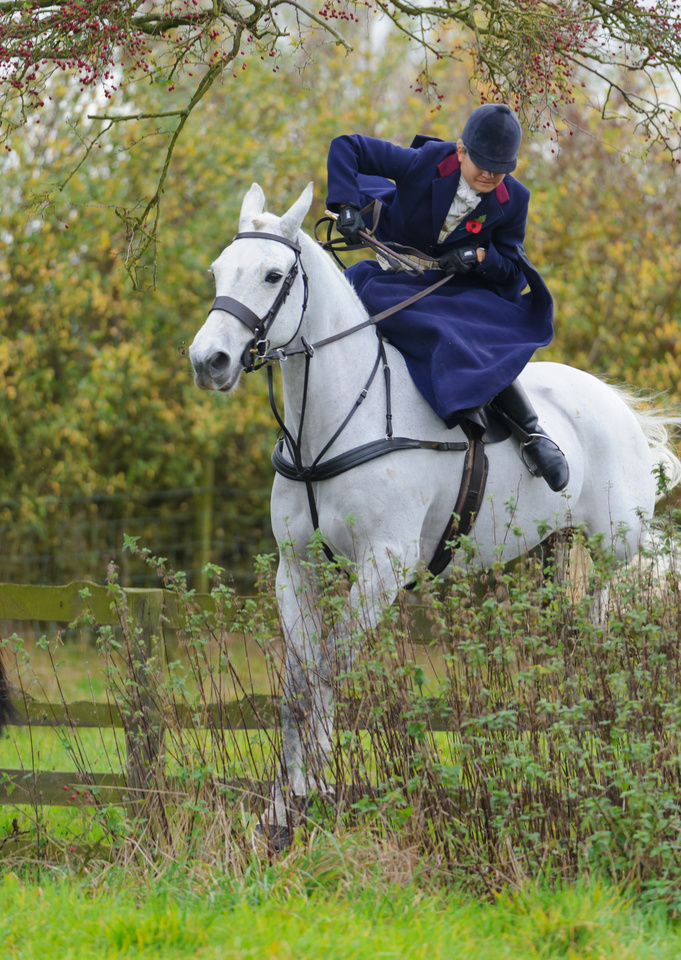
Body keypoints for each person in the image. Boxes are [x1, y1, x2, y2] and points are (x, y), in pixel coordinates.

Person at [326, 103, 569, 492]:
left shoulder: (514, 199)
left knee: (464, 331)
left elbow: (511, 266)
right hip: (396, 275)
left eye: (499, 169)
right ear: (460, 151)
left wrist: (480, 257)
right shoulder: (424, 162)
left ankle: (532, 433)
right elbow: (346, 145)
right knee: (343, 305)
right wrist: (345, 207)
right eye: (482, 165)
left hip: (454, 286)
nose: (489, 175)